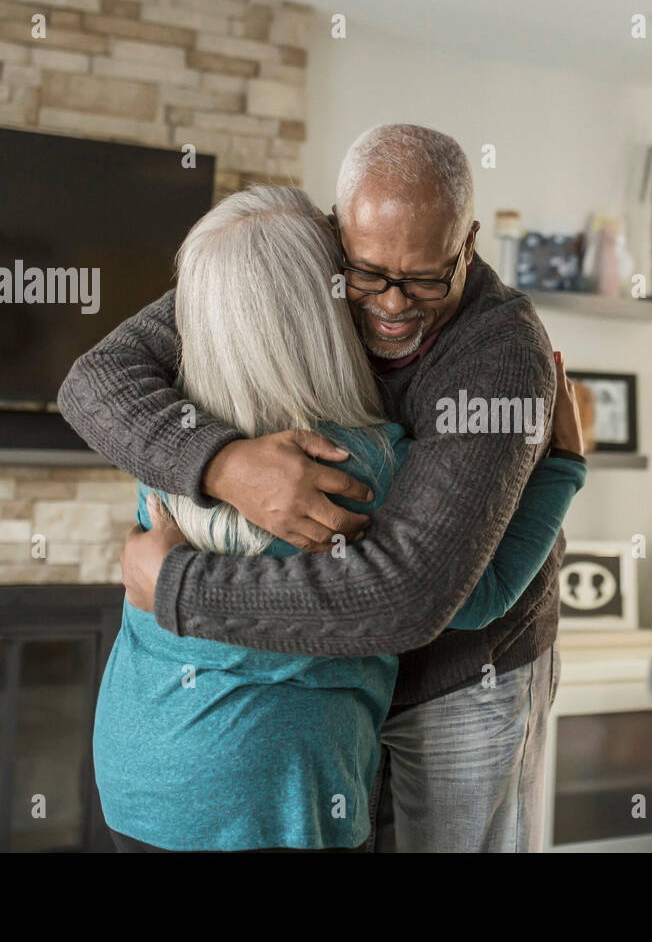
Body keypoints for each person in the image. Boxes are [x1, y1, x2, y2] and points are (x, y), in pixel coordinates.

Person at [59, 125, 572, 852]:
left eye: (427, 278)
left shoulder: (502, 351)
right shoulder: (289, 263)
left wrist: (176, 586)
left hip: (465, 675)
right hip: (327, 706)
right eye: (368, 274)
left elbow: (411, 596)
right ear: (334, 237)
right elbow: (93, 380)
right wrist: (225, 464)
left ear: (469, 243)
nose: (394, 305)